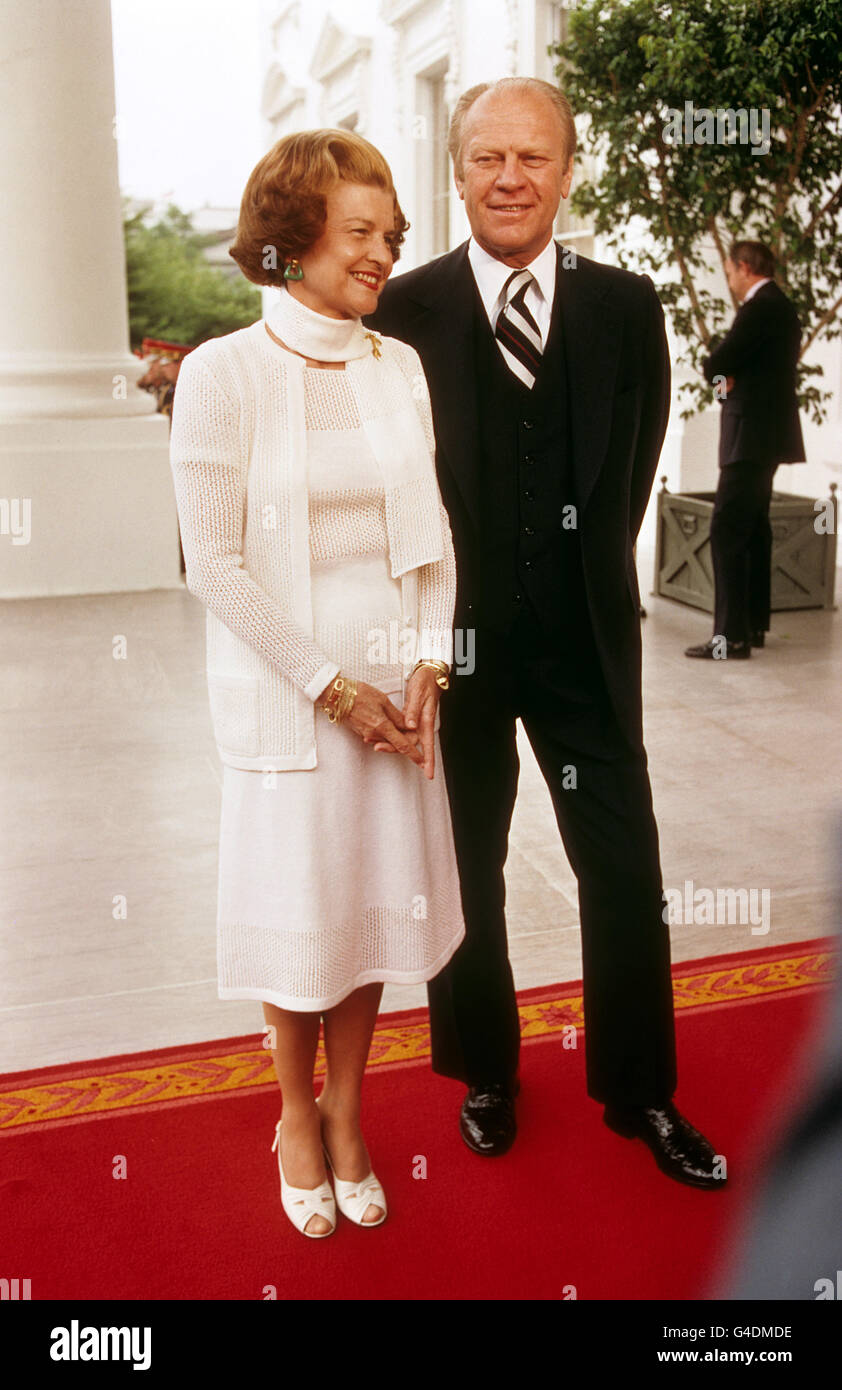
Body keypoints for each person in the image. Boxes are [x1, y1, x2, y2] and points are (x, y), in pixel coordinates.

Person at [368, 76, 723, 1187]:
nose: (510, 178)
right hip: (452, 647)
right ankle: (482, 1067)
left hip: (582, 641)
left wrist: (578, 585)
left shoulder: (627, 308)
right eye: (487, 158)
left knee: (621, 865)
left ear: (569, 169)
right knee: (463, 865)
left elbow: (628, 471)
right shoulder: (399, 312)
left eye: (532, 157)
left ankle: (639, 1090)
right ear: (457, 170)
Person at [169, 129, 465, 1239]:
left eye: (389, 234)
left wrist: (430, 657)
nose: (382, 252)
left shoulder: (400, 367)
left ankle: (351, 1114)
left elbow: (430, 532)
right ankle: (295, 1116)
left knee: (371, 915)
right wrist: (333, 686)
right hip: (293, 701)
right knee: (301, 920)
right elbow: (215, 563)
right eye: (358, 232)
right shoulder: (220, 374)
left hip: (396, 697)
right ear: (290, 242)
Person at [685, 240, 805, 660]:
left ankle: (730, 637)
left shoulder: (759, 308)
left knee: (727, 529)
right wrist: (727, 381)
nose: (730, 281)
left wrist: (722, 382)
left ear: (744, 267)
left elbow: (715, 363)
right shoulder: (784, 307)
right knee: (753, 528)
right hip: (769, 436)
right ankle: (752, 627)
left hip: (749, 435)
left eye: (730, 271)